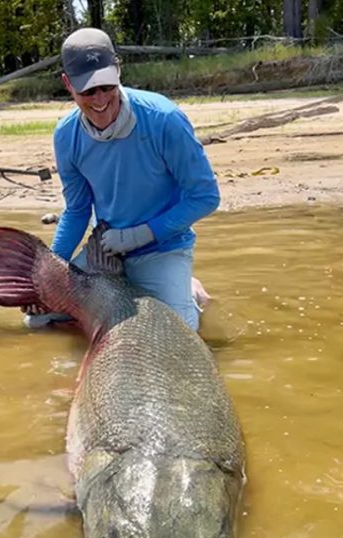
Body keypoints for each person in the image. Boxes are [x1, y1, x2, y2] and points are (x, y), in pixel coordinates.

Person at [25, 27, 219, 332]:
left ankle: (187, 290)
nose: (100, 99)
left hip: (163, 247)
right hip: (107, 252)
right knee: (37, 320)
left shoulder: (164, 119)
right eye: (87, 91)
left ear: (118, 70)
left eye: (106, 85)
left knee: (180, 334)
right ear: (67, 84)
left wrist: (140, 235)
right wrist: (52, 272)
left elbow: (206, 196)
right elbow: (77, 211)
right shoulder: (66, 135)